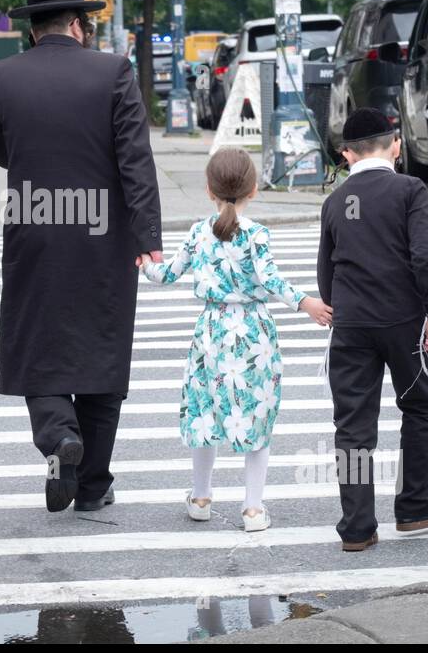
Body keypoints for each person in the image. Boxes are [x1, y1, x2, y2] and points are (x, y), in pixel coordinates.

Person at [0, 0, 163, 514]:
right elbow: (135, 159)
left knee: (38, 343)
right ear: (80, 24)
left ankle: (59, 434)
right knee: (102, 351)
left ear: (33, 28)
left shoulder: (1, 76)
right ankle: (93, 484)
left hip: (35, 225)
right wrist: (147, 233)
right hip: (103, 233)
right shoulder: (114, 72)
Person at [141, 148, 332, 531]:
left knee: (204, 411)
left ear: (209, 190)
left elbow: (166, 274)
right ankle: (253, 509)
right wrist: (305, 302)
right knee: (255, 414)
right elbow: (270, 280)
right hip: (253, 335)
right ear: (255, 189)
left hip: (211, 333)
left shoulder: (199, 232)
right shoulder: (257, 234)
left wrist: (145, 262)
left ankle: (200, 497)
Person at [316, 107, 428, 552]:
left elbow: (326, 275)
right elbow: (423, 257)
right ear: (396, 144)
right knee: (423, 408)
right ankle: (415, 505)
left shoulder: (334, 201)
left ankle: (356, 527)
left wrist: (344, 309)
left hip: (351, 325)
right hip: (402, 322)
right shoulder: (410, 190)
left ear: (346, 154)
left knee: (353, 428)